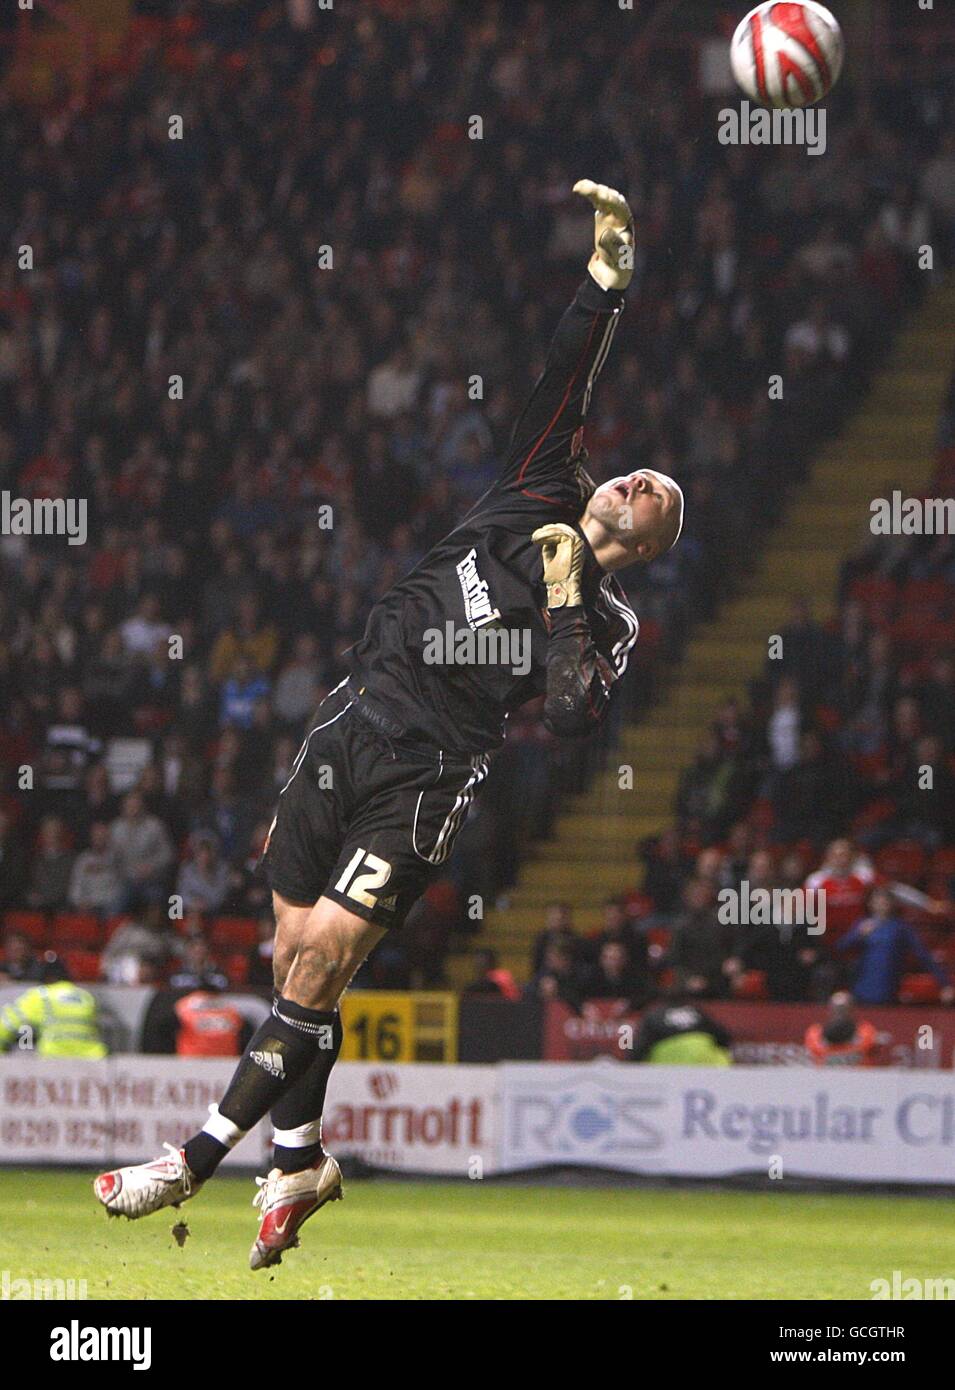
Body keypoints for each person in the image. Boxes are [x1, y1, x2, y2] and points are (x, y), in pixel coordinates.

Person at [94, 180, 685, 1270]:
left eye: (659, 498)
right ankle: (303, 1159)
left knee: (319, 961)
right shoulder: (540, 484)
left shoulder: (607, 618)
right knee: (292, 963)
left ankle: (192, 1157)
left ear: (647, 544)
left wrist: (559, 603)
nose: (642, 481)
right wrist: (606, 281)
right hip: (348, 718)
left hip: (424, 773)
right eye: (640, 472)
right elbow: (566, 376)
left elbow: (568, 718)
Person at [836, 887, 954, 1006]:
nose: (881, 903)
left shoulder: (900, 928)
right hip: (862, 984)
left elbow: (923, 955)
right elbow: (841, 947)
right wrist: (858, 935)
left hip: (887, 985)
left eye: (884, 900)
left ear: (891, 903)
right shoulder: (862, 924)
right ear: (870, 903)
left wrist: (945, 984)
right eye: (877, 900)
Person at [0, 958, 108, 1058]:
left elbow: (7, 1023)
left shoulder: (42, 994)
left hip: (54, 1059)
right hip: (92, 1059)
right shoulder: (86, 996)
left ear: (46, 978)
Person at [629, 993, 733, 1065]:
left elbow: (638, 1048)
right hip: (703, 1059)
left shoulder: (653, 1014)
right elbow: (723, 1036)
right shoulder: (696, 1011)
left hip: (669, 1063)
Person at [805, 991, 882, 1066]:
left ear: (852, 1010)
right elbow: (814, 1053)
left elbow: (870, 1048)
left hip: (859, 1075)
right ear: (829, 1011)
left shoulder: (867, 1031)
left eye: (844, 1009)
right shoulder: (815, 1033)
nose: (840, 1013)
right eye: (836, 1009)